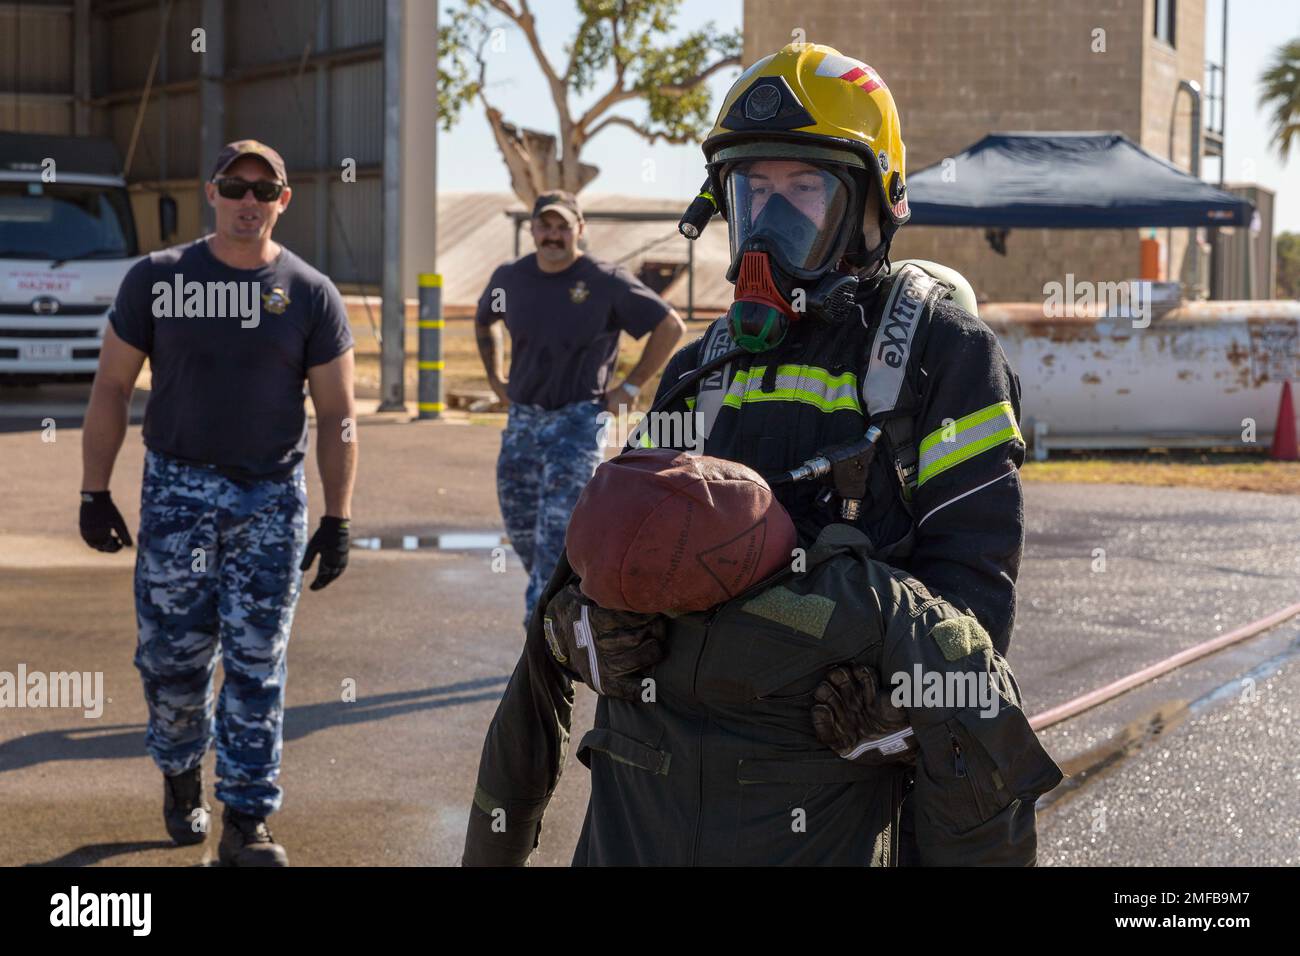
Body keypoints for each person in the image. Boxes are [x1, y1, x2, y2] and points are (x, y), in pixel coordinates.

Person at [462, 43, 1057, 867]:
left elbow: (974, 587)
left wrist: (897, 709)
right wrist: (581, 628)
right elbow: (616, 546)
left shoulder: (941, 355)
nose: (772, 221)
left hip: (812, 799)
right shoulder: (699, 368)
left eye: (805, 189)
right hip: (640, 798)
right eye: (755, 191)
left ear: (874, 205)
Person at [79, 139, 357, 867]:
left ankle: (246, 817)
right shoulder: (158, 278)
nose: (249, 202)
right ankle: (179, 771)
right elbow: (111, 387)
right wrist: (93, 489)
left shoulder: (310, 292)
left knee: (257, 663)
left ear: (284, 201)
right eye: (236, 187)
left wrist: (338, 516)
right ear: (212, 192)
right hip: (176, 497)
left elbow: (338, 415)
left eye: (264, 191)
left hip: (270, 500)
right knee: (173, 661)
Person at [474, 191, 685, 630]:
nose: (553, 235)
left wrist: (629, 386)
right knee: (525, 533)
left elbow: (669, 325)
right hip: (523, 422)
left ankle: (542, 646)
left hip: (576, 422)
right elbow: (483, 321)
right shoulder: (511, 278)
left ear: (580, 229)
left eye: (563, 226)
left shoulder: (604, 280)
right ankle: (566, 618)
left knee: (555, 542)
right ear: (532, 229)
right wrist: (497, 380)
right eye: (545, 226)